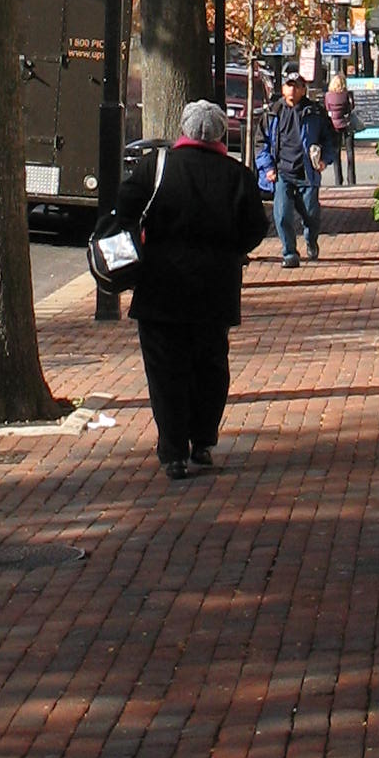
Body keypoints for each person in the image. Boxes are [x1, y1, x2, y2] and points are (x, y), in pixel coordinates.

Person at [116, 99, 268, 481]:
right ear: (220, 134)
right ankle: (202, 440)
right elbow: (254, 228)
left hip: (160, 284)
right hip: (215, 287)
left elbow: (124, 207)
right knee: (210, 364)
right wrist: (231, 249)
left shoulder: (157, 166)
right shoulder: (237, 175)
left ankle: (173, 452)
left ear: (183, 130)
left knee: (166, 370)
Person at [267, 71, 322, 265]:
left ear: (303, 89)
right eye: (289, 85)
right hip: (283, 172)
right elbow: (261, 141)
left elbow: (330, 139)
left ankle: (311, 240)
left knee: (311, 215)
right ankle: (289, 253)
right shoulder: (273, 112)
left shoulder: (315, 112)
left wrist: (325, 159)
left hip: (307, 173)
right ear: (282, 89)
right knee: (282, 214)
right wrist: (267, 167)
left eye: (297, 86)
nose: (292, 89)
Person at [324, 70, 355, 184]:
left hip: (334, 125)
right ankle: (351, 179)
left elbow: (327, 108)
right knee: (350, 152)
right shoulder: (347, 94)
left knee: (336, 152)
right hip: (347, 124)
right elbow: (351, 107)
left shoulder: (328, 96)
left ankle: (338, 179)